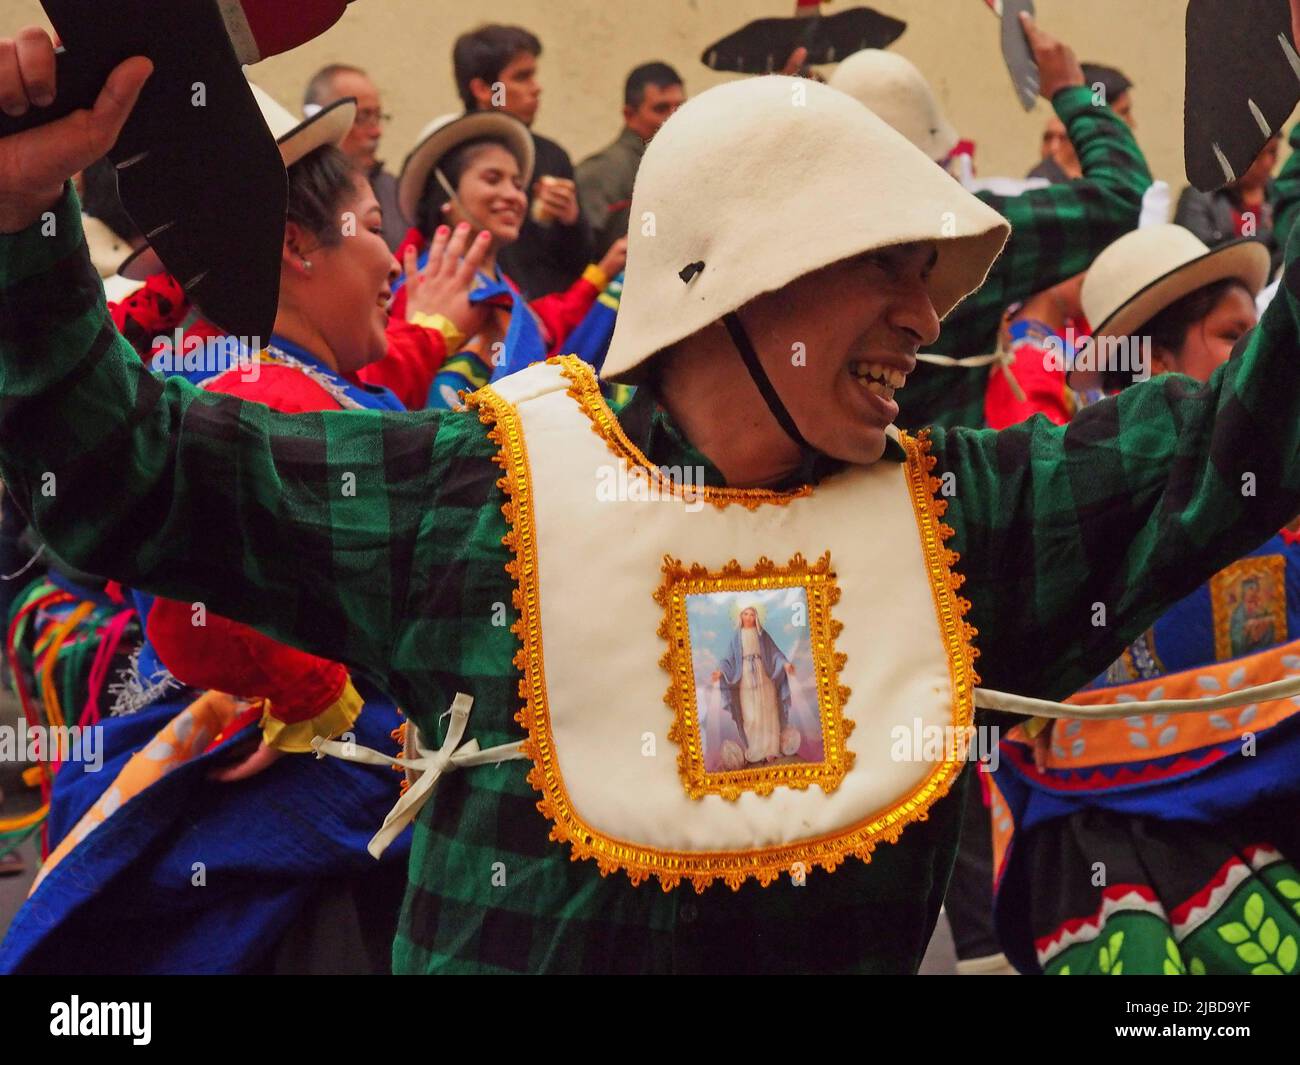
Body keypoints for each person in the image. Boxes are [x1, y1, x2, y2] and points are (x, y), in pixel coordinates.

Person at [6, 23, 1300, 979]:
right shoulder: (480, 501)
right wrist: (20, 222)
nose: (926, 313)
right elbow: (135, 476)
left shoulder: (970, 533)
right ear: (737, 281)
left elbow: (1256, 434)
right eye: (885, 268)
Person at [0, 75, 494, 974]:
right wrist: (313, 696)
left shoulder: (263, 381)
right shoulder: (267, 393)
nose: (395, 266)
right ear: (298, 245)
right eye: (377, 232)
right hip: (311, 889)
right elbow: (201, 600)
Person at [988, 221, 1300, 975]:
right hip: (1112, 842)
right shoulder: (1066, 518)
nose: (1254, 360)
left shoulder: (1273, 490)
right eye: (1233, 336)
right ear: (1156, 360)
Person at [829, 20, 1153, 430]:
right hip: (939, 482)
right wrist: (1070, 89)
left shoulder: (798, 240)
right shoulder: (969, 234)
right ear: (938, 160)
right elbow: (1122, 196)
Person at [393, 109, 626, 407]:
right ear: (447, 196)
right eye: (493, 180)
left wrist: (605, 272)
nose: (513, 195)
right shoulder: (423, 285)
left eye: (518, 185)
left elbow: (549, 328)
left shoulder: (505, 290)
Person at [453, 23, 593, 297]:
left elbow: (579, 263)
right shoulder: (448, 156)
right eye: (522, 77)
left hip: (551, 324)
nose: (536, 88)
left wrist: (571, 219)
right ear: (484, 89)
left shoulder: (552, 155)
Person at [576, 62, 685, 258]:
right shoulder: (600, 173)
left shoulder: (685, 166)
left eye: (680, 107)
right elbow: (580, 254)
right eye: (661, 109)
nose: (674, 117)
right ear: (630, 115)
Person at [303, 62, 408, 252]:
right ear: (319, 121)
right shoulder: (301, 198)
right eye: (363, 117)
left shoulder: (397, 191)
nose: (377, 131)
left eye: (378, 116)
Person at [1176, 135, 1282, 270]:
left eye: (1273, 152)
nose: (1268, 162)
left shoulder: (1282, 194)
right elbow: (1198, 260)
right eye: (1258, 153)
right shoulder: (1199, 197)